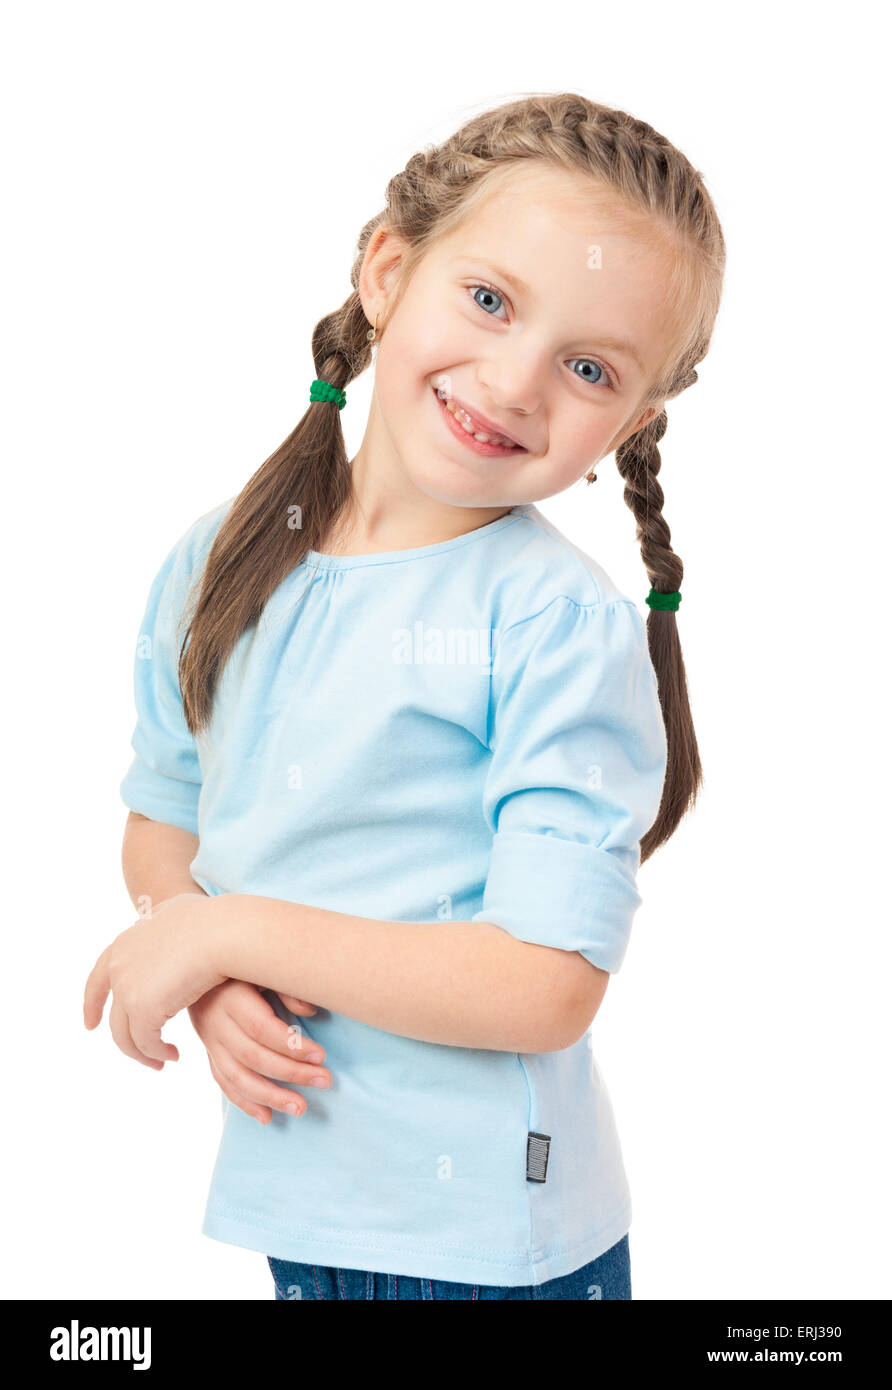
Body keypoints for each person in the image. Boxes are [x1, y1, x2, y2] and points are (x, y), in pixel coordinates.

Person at [84, 91, 725, 1300]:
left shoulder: (554, 622)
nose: (515, 381)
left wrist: (225, 933)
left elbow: (546, 981)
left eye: (588, 367)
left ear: (627, 424)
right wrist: (203, 963)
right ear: (386, 271)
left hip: (486, 1243)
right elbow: (165, 812)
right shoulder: (220, 558)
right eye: (489, 299)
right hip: (304, 1206)